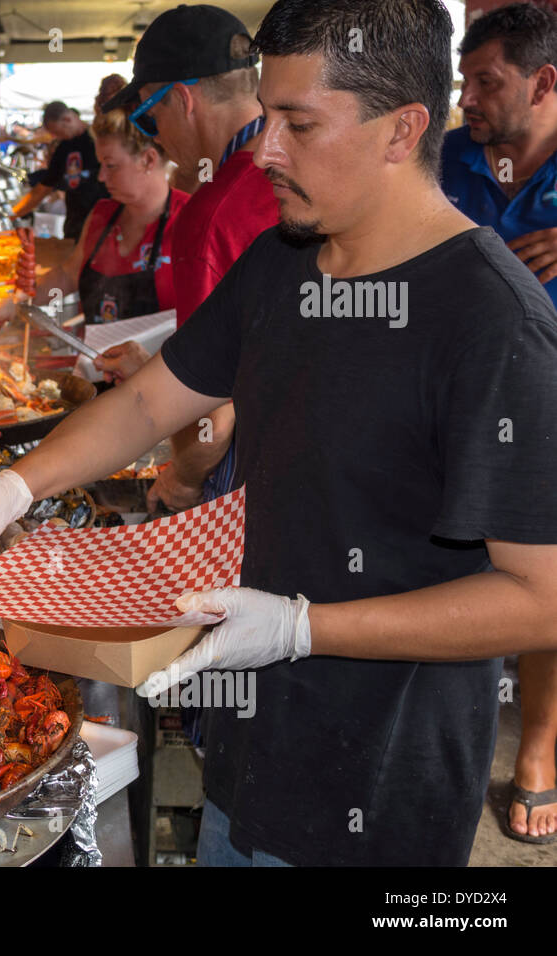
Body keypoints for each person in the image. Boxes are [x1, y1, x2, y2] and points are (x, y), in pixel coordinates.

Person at [0, 0, 557, 867]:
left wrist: (301, 628)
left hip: (378, 795)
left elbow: (539, 596)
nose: (263, 149)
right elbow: (150, 404)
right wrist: (11, 489)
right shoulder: (283, 261)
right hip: (247, 763)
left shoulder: (492, 325)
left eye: (297, 123)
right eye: (265, 113)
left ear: (403, 130)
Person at [442, 1, 557, 844]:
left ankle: (539, 754)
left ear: (545, 83)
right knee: (450, 577)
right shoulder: (447, 155)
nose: (468, 99)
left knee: (550, 582)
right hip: (457, 402)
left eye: (487, 82)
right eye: (463, 81)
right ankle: (441, 742)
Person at [98, 5, 278, 514]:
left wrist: (181, 481)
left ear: (181, 99)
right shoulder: (302, 173)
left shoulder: (214, 211)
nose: (155, 135)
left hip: (250, 488)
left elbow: (213, 413)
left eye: (151, 117)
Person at [0, 102, 191, 340]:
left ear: (148, 160)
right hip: (96, 367)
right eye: (101, 165)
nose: (102, 177)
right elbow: (67, 277)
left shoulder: (190, 219)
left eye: (111, 166)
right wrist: (21, 301)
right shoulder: (102, 214)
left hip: (161, 373)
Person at [12, 101, 109, 241]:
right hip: (75, 224)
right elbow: (44, 186)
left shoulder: (98, 139)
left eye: (58, 132)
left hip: (104, 223)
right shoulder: (64, 147)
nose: (57, 137)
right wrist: (15, 213)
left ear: (67, 119)